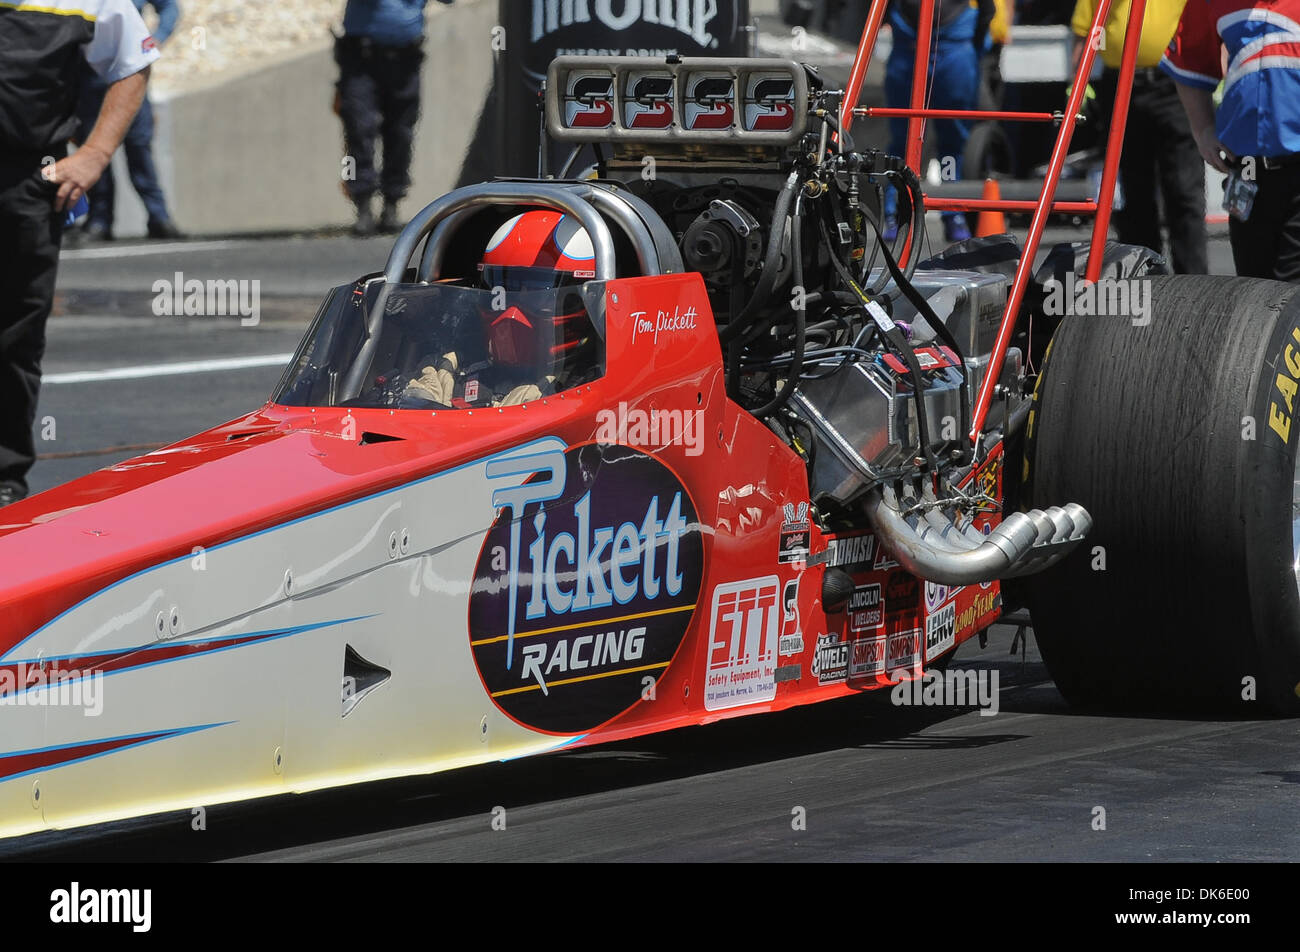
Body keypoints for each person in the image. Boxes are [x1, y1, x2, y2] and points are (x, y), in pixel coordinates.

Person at [0, 0, 158, 507]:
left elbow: (133, 61)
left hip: (26, 181)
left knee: (14, 336)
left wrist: (95, 153)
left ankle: (5, 484)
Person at [402, 210, 600, 407]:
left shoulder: (593, 383)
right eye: (505, 289)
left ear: (586, 300)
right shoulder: (450, 368)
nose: (512, 313)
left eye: (537, 294)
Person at [1163, 0, 1300, 281]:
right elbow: (1189, 59)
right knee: (1254, 286)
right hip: (1247, 170)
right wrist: (1202, 129)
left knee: (1291, 288)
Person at [1071, 0, 1207, 273]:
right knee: (1133, 193)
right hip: (1121, 83)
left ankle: (1195, 285)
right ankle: (1143, 277)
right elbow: (1085, 30)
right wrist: (1076, 85)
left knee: (1183, 191)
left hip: (1175, 83)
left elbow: (1211, 21)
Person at [882, 0, 996, 244]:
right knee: (902, 141)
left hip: (953, 51)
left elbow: (988, 11)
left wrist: (972, 51)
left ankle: (951, 211)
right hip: (908, 48)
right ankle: (893, 211)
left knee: (952, 144)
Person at [73, 0, 182, 242]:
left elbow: (169, 7)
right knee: (94, 155)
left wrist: (158, 36)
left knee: (140, 151)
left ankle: (159, 217)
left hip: (131, 79)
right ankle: (99, 221)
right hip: (87, 83)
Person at [335, 0, 430, 236]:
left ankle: (392, 204)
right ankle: (363, 205)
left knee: (401, 132)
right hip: (361, 58)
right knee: (359, 128)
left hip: (405, 58)